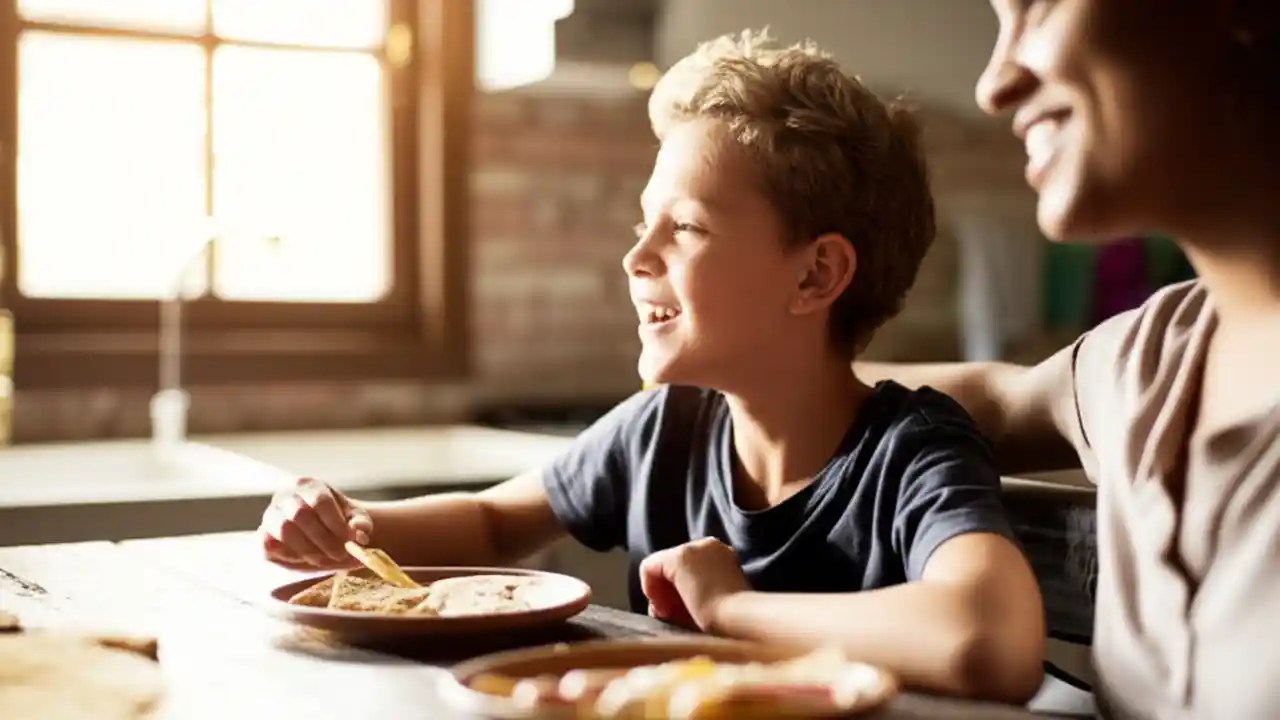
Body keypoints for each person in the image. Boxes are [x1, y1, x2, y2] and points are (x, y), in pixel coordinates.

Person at [259, 31, 1044, 702]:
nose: (637, 257)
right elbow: (496, 522)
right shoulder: (667, 427)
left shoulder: (912, 449)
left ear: (814, 276)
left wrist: (734, 609)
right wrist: (348, 527)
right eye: (645, 225)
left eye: (688, 228)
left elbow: (989, 640)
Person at [861, 2, 1280, 718]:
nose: (992, 85)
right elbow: (992, 400)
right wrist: (727, 385)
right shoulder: (1154, 358)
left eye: (1038, 6)